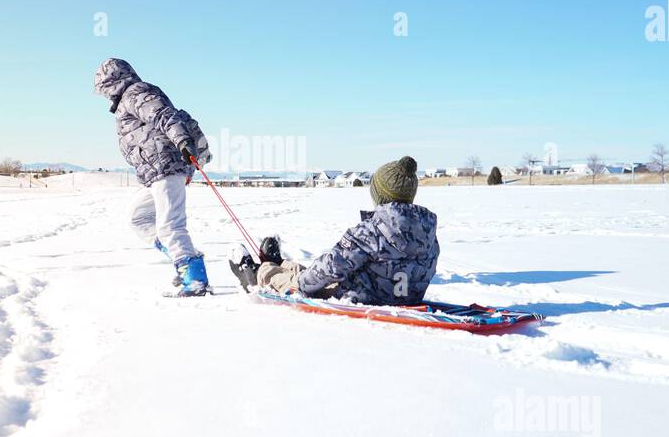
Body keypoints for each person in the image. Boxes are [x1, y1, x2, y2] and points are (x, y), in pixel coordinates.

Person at [230, 156, 440, 306]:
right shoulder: (429, 233)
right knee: (307, 272)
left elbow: (330, 267)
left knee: (298, 279)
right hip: (407, 297)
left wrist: (299, 285)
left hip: (358, 297)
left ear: (380, 195)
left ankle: (260, 272)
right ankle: (282, 263)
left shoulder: (371, 231)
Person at [93, 57, 212, 295]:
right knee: (138, 217)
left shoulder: (136, 93)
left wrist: (183, 142)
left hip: (167, 165)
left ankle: (194, 278)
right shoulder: (127, 99)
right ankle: (182, 261)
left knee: (170, 225)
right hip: (154, 171)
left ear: (112, 81)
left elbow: (164, 116)